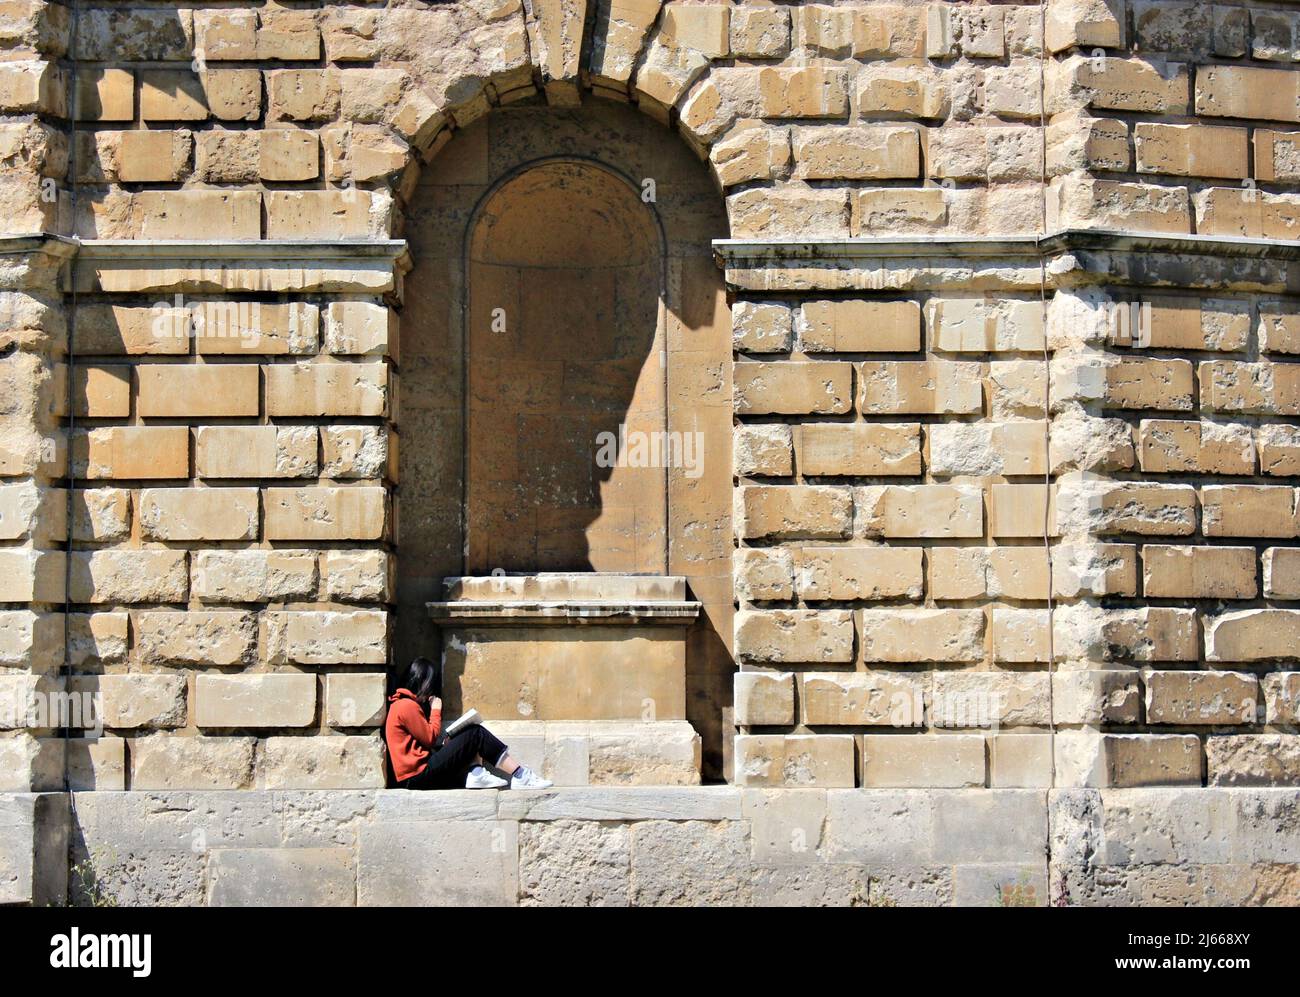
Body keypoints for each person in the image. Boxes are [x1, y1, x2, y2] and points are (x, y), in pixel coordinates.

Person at [385, 657, 552, 790]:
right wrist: (436, 710)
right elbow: (429, 738)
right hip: (417, 776)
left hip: (415, 775)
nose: (429, 691)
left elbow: (420, 744)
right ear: (420, 682)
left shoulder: (400, 704)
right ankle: (520, 775)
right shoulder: (406, 705)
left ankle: (476, 773)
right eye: (429, 686)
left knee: (466, 736)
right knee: (475, 733)